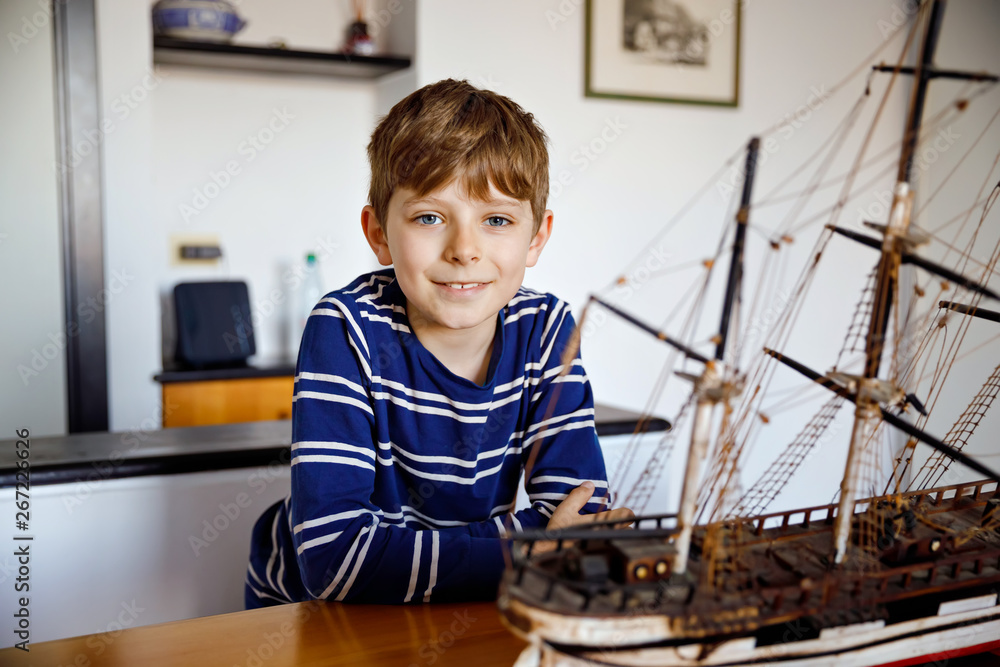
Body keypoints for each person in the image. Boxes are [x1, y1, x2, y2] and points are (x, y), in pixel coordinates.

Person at [246, 79, 632, 607]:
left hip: (463, 598)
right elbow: (334, 561)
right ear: (379, 231)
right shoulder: (345, 327)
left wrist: (531, 550)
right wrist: (528, 549)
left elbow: (581, 515)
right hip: (308, 612)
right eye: (430, 217)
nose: (464, 250)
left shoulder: (547, 329)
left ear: (536, 238)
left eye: (496, 220)